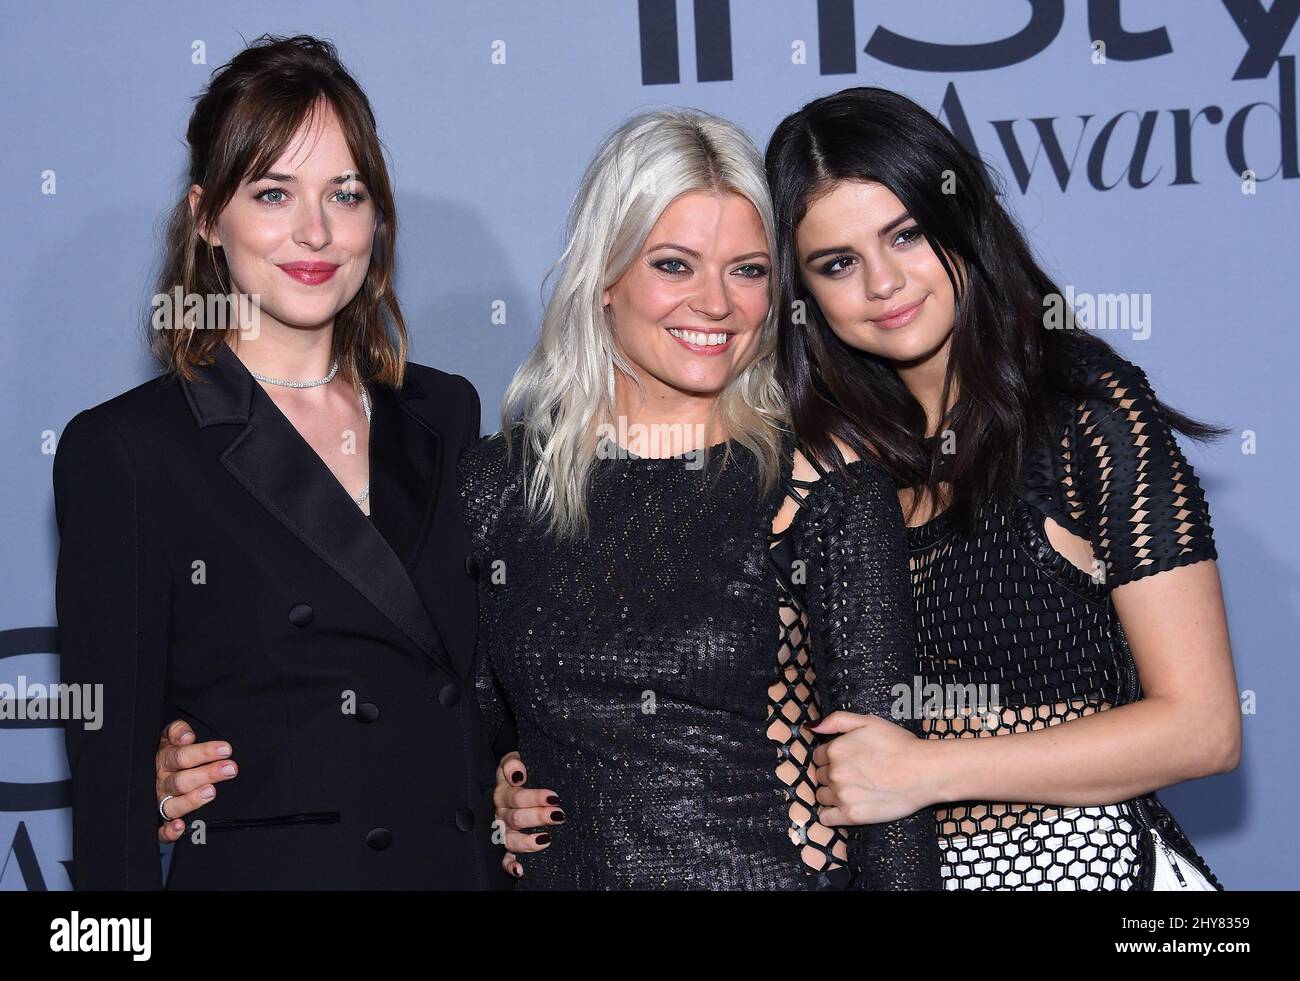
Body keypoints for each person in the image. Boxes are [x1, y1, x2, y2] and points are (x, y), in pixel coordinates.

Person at [57, 34, 508, 889]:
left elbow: (486, 672)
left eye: (346, 193)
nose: (316, 231)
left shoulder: (445, 412)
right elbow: (113, 792)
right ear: (205, 216)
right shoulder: (128, 451)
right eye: (273, 193)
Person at [763, 86, 1240, 890]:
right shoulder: (824, 470)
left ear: (959, 219)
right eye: (838, 263)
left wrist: (928, 769)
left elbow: (1204, 728)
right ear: (801, 294)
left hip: (1097, 867)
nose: (883, 283)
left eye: (906, 235)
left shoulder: (1082, 410)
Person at [459, 107, 939, 889]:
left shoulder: (822, 482)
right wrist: (492, 800)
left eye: (748, 270)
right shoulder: (499, 484)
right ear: (604, 279)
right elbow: (466, 734)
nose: (716, 304)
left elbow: (889, 796)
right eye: (675, 265)